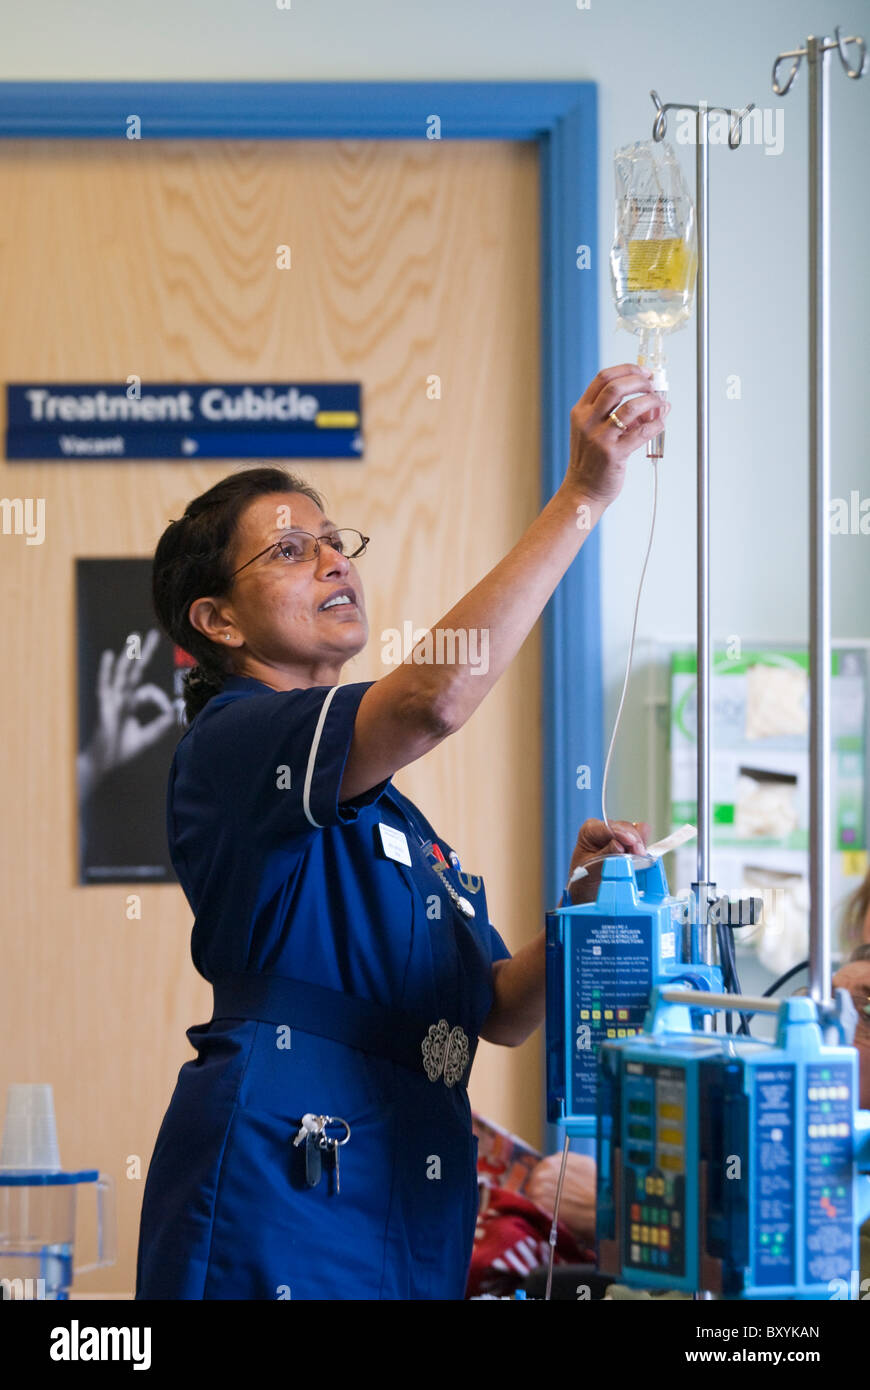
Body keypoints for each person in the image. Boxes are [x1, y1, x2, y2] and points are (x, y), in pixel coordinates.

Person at [134, 363, 667, 1300]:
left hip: (407, 1188)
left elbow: (499, 1010)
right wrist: (584, 495)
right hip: (283, 1184)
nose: (336, 560)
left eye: (335, 542)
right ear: (215, 620)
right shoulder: (233, 745)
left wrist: (583, 905)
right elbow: (434, 697)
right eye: (291, 551)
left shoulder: (395, 822)